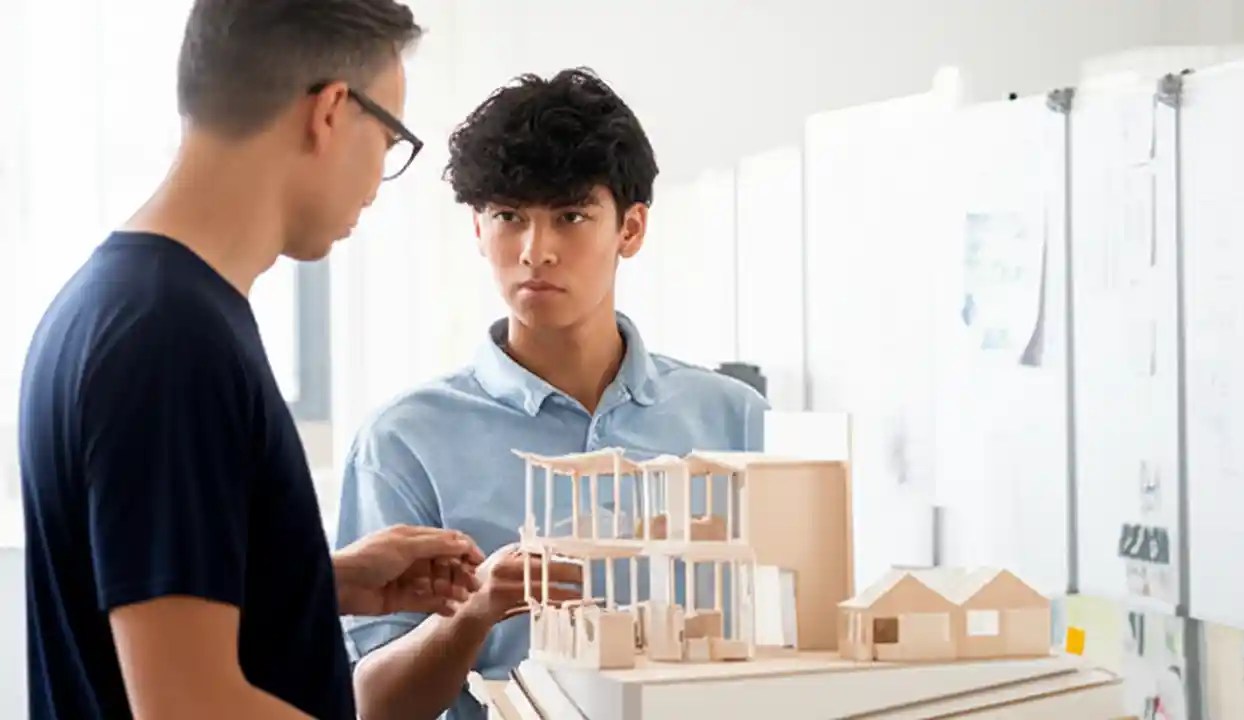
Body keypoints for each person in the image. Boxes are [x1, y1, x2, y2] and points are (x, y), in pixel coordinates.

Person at [18, 1, 485, 718]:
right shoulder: (168, 340)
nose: (378, 181)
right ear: (330, 111)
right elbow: (188, 704)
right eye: (391, 138)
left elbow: (139, 590)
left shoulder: (118, 301)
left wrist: (312, 580)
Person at [334, 68, 770, 720]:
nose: (537, 251)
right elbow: (371, 705)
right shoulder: (403, 440)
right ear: (478, 230)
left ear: (631, 228)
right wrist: (473, 613)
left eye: (570, 216)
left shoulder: (737, 420)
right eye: (509, 216)